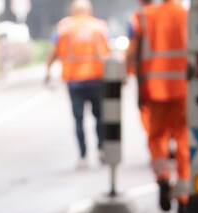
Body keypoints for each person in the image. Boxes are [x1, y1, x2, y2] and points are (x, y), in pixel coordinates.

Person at [130, 0, 189, 213]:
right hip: (183, 89)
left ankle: (163, 177)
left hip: (155, 90)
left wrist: (138, 91)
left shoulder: (145, 15)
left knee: (156, 138)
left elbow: (136, 56)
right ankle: (183, 197)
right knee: (183, 139)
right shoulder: (186, 14)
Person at [46, 0, 111, 169]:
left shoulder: (64, 27)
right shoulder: (99, 27)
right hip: (96, 79)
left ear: (73, 11)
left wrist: (47, 70)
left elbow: (53, 50)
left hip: (74, 81)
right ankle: (101, 150)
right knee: (100, 117)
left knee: (78, 120)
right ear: (89, 10)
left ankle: (82, 156)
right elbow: (108, 52)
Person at [126, 0, 154, 135]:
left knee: (153, 126)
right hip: (179, 82)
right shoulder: (180, 14)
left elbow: (133, 50)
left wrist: (126, 71)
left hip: (149, 79)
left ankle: (160, 151)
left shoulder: (138, 18)